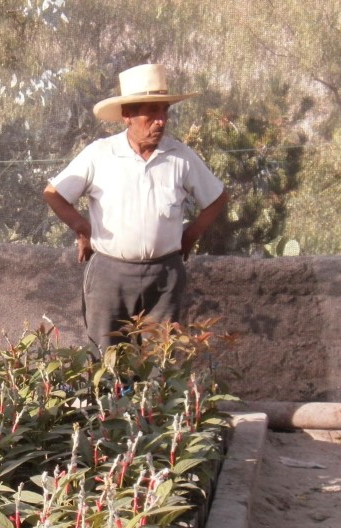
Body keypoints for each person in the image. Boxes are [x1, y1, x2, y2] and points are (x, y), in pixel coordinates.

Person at [43, 63, 229, 354]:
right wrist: (83, 229)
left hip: (165, 277)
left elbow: (217, 197)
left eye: (164, 112)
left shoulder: (180, 156)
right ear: (127, 116)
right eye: (151, 113)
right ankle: (110, 400)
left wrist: (191, 234)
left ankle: (151, 401)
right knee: (106, 359)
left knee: (160, 361)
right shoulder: (100, 154)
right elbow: (54, 194)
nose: (160, 121)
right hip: (109, 275)